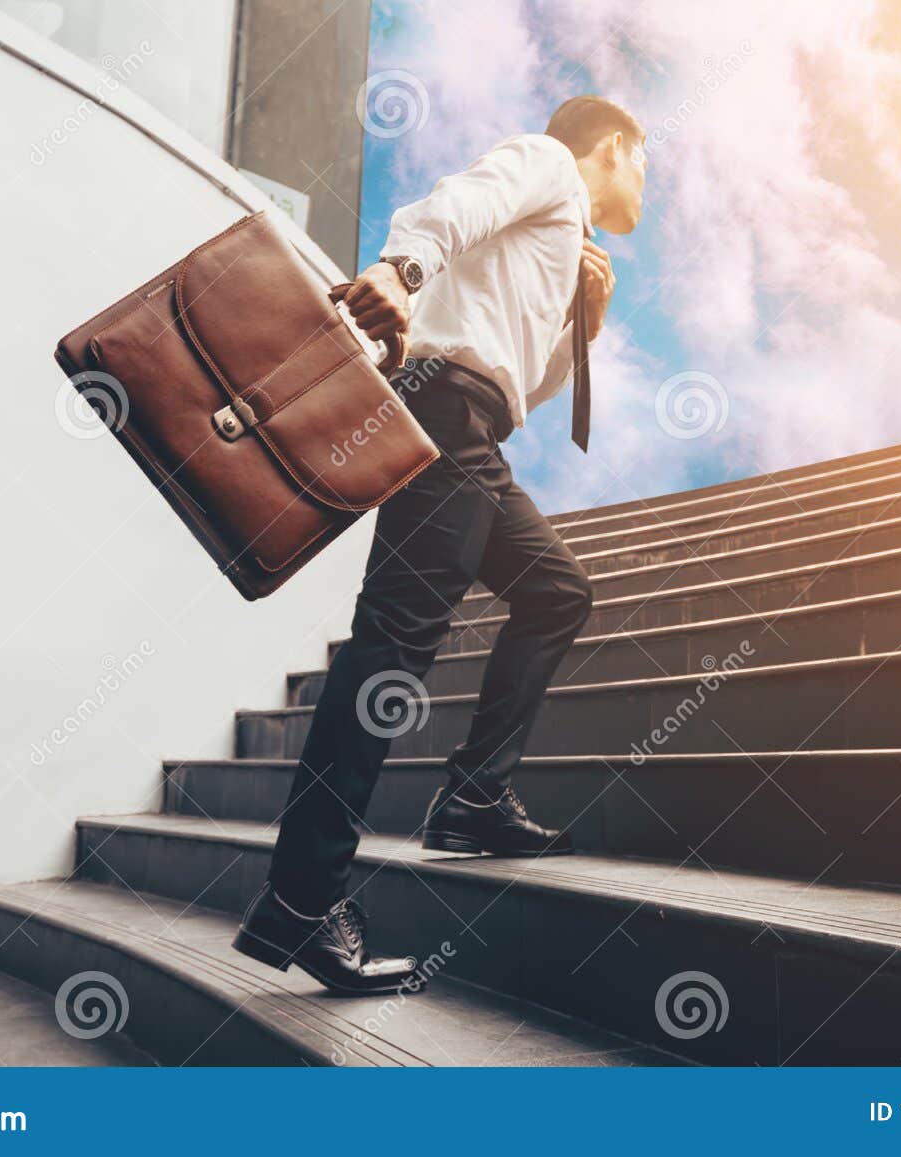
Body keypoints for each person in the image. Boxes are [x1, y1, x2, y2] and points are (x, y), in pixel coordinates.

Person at [231, 95, 647, 994]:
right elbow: (451, 205)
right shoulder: (546, 166)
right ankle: (304, 900)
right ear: (615, 147)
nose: (642, 184)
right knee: (391, 651)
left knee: (556, 591)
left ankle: (474, 798)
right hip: (444, 409)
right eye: (643, 164)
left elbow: (525, 386)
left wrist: (589, 321)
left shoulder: (566, 241)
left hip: (473, 426)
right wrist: (401, 270)